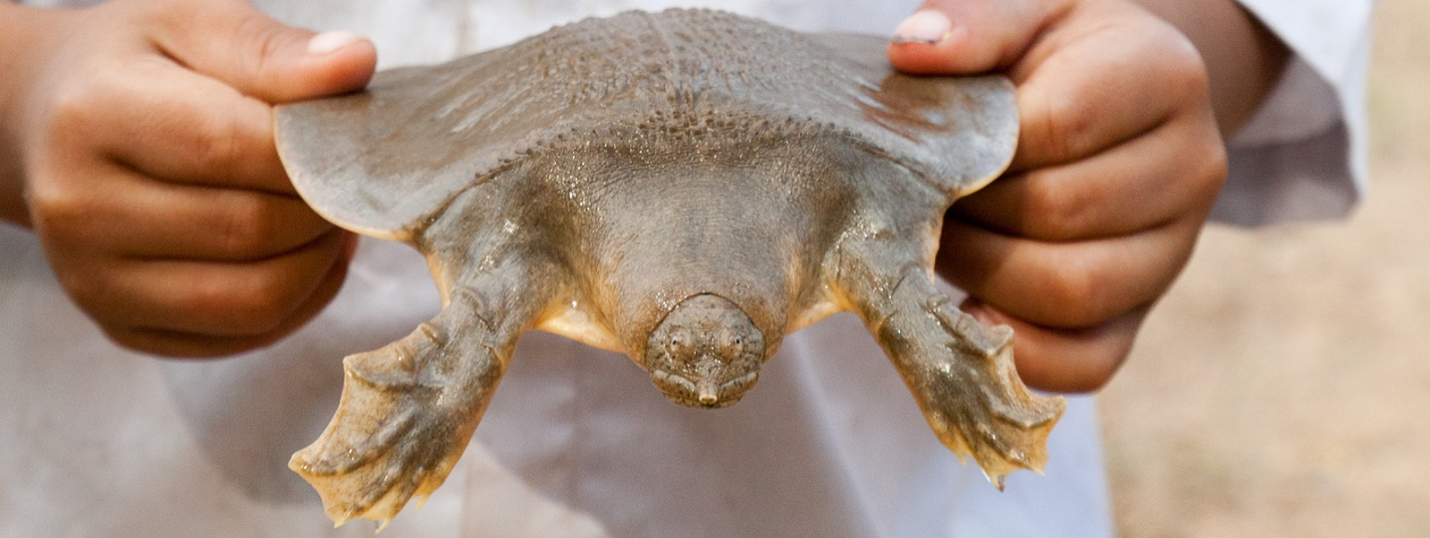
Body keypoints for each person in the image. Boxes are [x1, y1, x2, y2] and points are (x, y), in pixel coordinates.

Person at [0, 0, 1371, 536]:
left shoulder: (837, 215)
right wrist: (24, 86)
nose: (705, 363)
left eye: (705, 343)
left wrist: (1152, 57)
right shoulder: (529, 217)